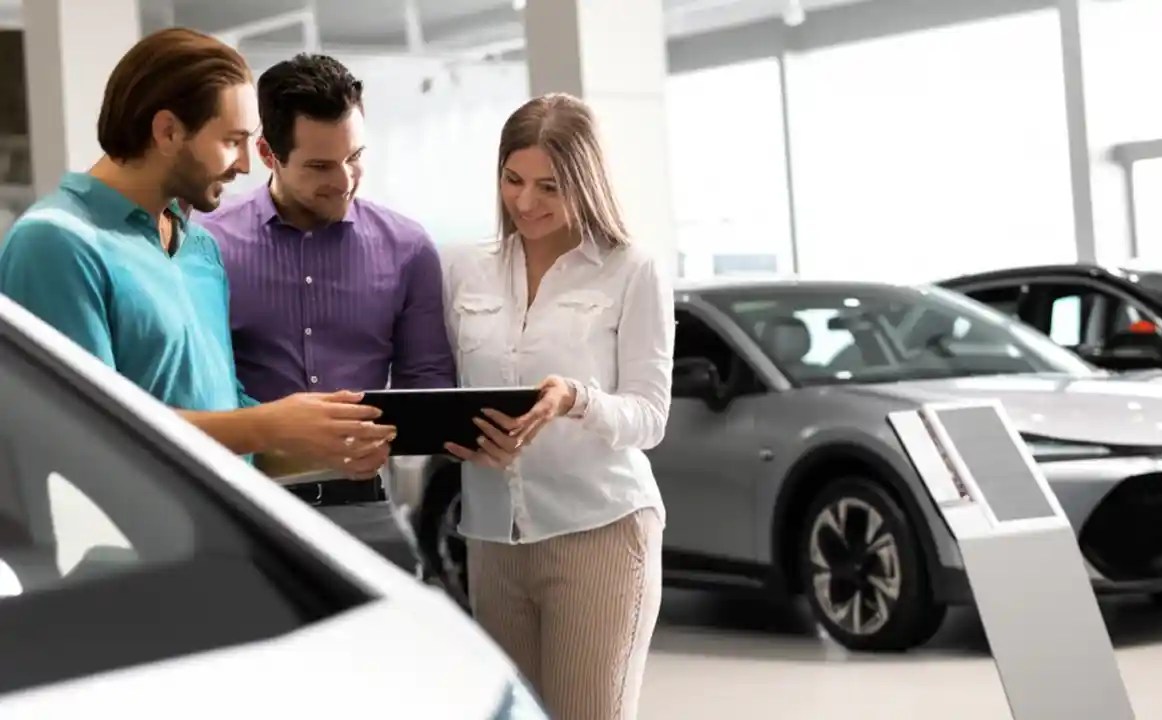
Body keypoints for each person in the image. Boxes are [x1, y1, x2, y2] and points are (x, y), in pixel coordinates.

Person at [0, 28, 394, 479]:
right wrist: (267, 425)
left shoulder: (199, 247)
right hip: (115, 549)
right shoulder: (55, 243)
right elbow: (84, 428)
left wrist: (322, 448)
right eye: (232, 141)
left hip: (215, 542)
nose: (246, 164)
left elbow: (227, 419)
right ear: (168, 131)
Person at [441, 93, 675, 720]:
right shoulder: (466, 270)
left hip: (599, 532)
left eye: (549, 186)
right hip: (491, 538)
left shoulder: (633, 270)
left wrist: (576, 399)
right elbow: (444, 386)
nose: (525, 202)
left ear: (585, 182)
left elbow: (650, 416)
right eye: (513, 180)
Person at [192, 53, 455, 576]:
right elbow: (196, 384)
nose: (344, 180)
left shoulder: (409, 248)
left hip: (363, 508)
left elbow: (428, 388)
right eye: (318, 166)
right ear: (267, 153)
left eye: (354, 156)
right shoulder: (207, 246)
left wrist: (388, 437)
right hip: (240, 507)